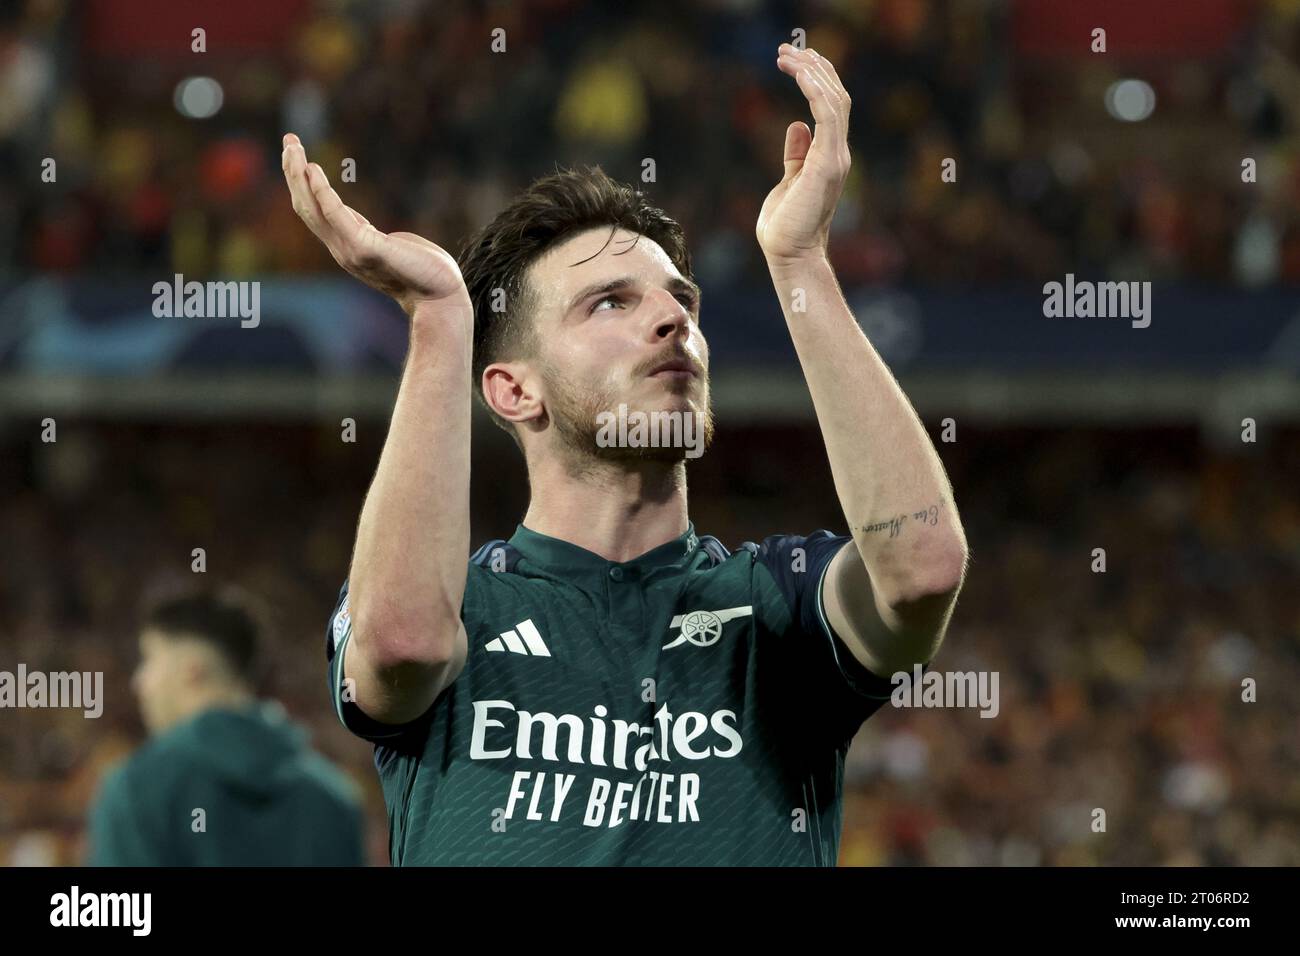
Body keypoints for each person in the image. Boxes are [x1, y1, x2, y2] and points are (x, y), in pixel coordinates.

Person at [287, 43, 968, 865]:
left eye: (681, 299)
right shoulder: (458, 607)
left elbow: (922, 569)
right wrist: (437, 318)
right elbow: (399, 645)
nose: (673, 319)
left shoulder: (772, 609)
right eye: (610, 302)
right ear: (513, 391)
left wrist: (799, 263)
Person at [87, 588, 365, 866]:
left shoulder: (137, 789)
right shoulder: (334, 798)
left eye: (149, 660)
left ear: (191, 670)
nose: (139, 683)